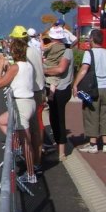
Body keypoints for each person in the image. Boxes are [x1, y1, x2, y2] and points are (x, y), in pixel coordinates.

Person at [0, 38, 36, 184]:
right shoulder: (27, 65)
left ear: (14, 51)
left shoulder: (15, 67)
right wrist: (6, 67)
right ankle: (16, 145)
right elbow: (15, 76)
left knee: (26, 141)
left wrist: (0, 68)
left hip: (21, 104)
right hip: (29, 102)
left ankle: (31, 174)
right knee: (0, 121)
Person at [9, 25, 47, 174]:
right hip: (39, 89)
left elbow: (24, 73)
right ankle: (36, 159)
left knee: (32, 130)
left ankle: (34, 163)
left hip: (32, 92)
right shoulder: (34, 50)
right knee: (37, 127)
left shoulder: (24, 53)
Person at [43, 26, 74, 161]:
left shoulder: (67, 52)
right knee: (54, 118)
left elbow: (60, 69)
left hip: (61, 88)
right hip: (56, 87)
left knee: (58, 118)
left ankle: (61, 151)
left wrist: (43, 70)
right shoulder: (63, 49)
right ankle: (58, 146)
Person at [74, 29, 106, 154]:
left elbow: (84, 69)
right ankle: (104, 144)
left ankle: (93, 144)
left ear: (92, 39)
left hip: (94, 89)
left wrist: (75, 85)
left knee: (91, 115)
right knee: (104, 115)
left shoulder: (89, 53)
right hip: (105, 88)